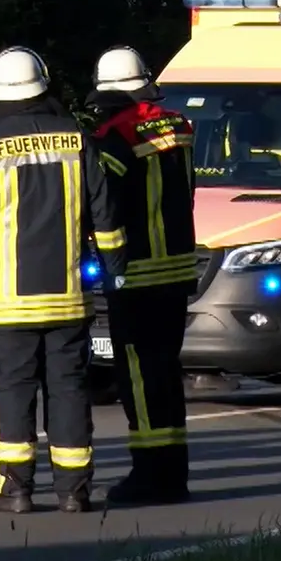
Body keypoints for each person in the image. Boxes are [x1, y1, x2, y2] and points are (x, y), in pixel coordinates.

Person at [0, 47, 127, 514]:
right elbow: (105, 213)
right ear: (43, 83)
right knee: (68, 393)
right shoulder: (77, 139)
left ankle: (16, 491)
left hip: (8, 306)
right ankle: (73, 492)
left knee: (12, 395)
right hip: (68, 300)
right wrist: (114, 268)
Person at [89, 47, 199, 504]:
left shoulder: (116, 136)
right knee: (165, 373)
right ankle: (174, 472)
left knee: (139, 377)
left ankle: (151, 476)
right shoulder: (178, 125)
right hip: (177, 268)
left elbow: (106, 205)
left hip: (137, 274)